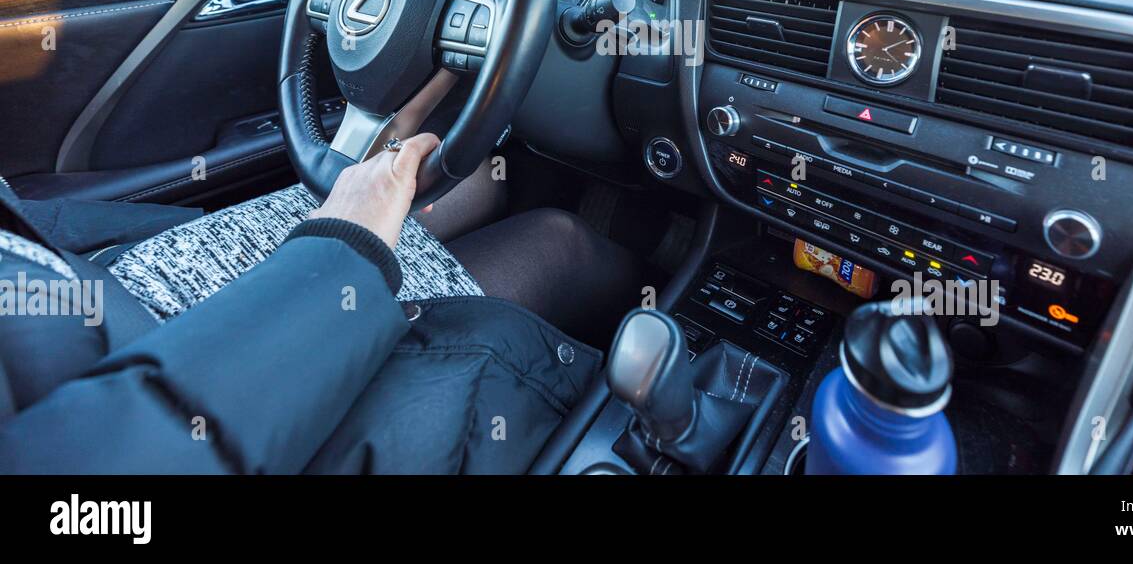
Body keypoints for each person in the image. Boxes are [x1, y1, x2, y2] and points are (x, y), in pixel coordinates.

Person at [0, 135, 651, 473]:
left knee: (472, 176)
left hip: (111, 292)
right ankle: (669, 296)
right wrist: (345, 245)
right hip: (201, 392)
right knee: (559, 241)